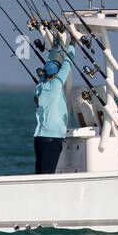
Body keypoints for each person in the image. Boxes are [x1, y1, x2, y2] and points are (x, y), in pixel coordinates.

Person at [33, 44, 74, 174]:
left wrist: (55, 47)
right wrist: (72, 44)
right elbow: (67, 65)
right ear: (56, 73)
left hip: (39, 137)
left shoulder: (40, 86)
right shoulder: (56, 85)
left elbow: (49, 63)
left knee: (39, 174)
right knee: (47, 175)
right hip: (52, 139)